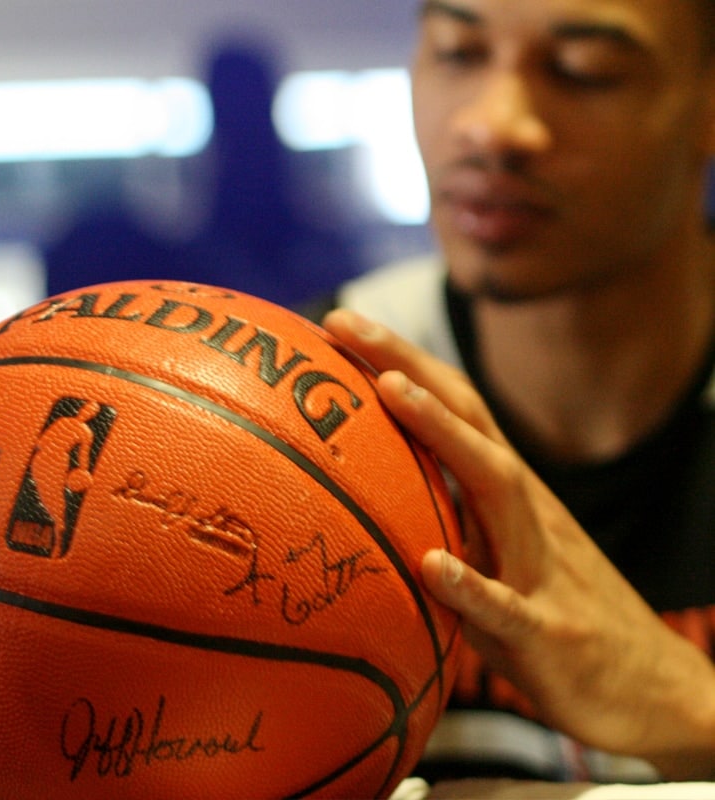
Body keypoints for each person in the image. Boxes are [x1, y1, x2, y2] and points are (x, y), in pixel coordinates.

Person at [304, 0, 715, 785]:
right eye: (459, 52)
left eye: (582, 71)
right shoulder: (299, 387)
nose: (493, 126)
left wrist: (686, 702)